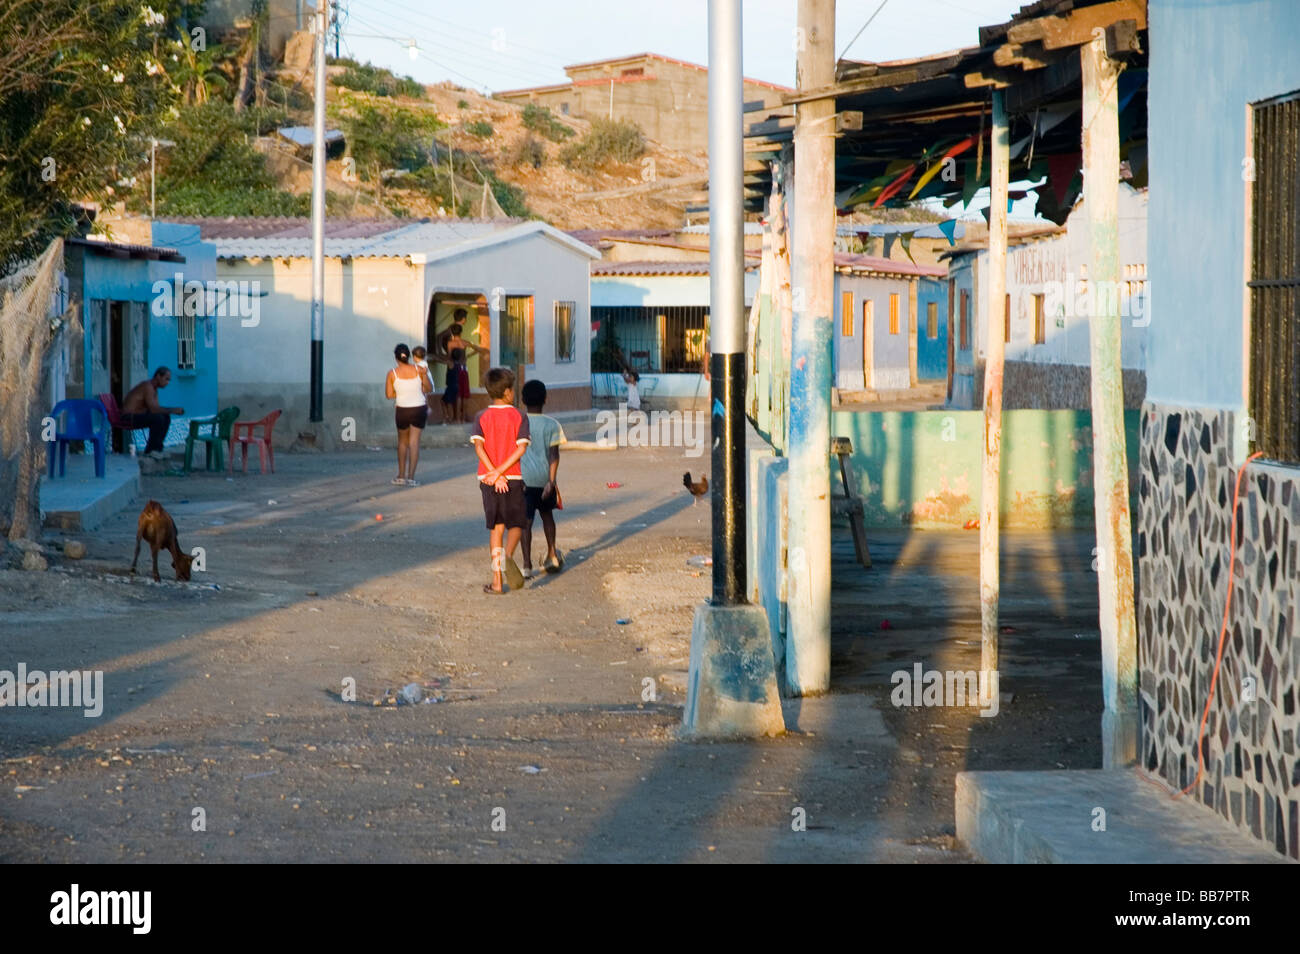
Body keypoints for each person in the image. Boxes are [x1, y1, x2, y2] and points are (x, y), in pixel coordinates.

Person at [471, 368, 530, 595]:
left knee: (496, 529)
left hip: (487, 478)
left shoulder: (481, 416)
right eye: (512, 389)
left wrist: (493, 472)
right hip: (512, 477)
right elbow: (521, 448)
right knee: (518, 523)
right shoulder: (519, 416)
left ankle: (496, 581)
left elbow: (479, 447)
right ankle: (507, 556)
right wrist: (502, 472)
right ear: (506, 392)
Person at [518, 379, 565, 578]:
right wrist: (551, 482)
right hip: (545, 480)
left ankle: (527, 565)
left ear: (522, 400)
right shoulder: (552, 424)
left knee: (525, 523)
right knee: (547, 517)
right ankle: (552, 553)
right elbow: (554, 455)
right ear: (545, 399)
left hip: (523, 481)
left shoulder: (518, 422)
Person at [384, 343, 432, 486]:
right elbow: (428, 388)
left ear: (396, 358)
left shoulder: (392, 373)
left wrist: (401, 393)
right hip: (419, 408)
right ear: (409, 357)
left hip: (402, 409)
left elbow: (389, 394)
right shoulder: (420, 370)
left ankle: (400, 476)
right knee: (414, 442)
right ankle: (411, 477)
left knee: (402, 442)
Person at [121, 366, 184, 459]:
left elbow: (156, 408)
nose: (167, 383)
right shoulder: (148, 387)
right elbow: (154, 409)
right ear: (158, 376)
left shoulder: (154, 389)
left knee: (165, 417)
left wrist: (169, 411)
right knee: (157, 419)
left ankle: (157, 448)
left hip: (137, 415)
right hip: (128, 417)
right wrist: (173, 410)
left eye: (169, 380)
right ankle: (151, 450)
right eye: (166, 379)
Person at [440, 347, 471, 424]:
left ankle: (448, 418)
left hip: (451, 386)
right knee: (455, 401)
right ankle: (458, 418)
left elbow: (441, 360)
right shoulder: (462, 364)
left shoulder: (451, 364)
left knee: (445, 402)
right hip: (458, 385)